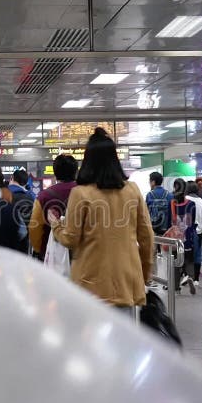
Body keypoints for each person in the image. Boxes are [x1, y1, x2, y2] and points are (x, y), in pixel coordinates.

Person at [48, 128, 154, 311]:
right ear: (115, 159)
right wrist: (143, 274)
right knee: (121, 338)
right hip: (125, 281)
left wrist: (56, 225)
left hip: (89, 284)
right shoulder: (133, 190)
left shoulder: (80, 193)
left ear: (88, 160)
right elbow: (147, 238)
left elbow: (71, 239)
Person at [29, 155, 78, 260]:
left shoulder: (43, 196)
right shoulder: (85, 193)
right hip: (80, 255)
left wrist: (39, 250)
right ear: (75, 172)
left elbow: (34, 227)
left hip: (52, 255)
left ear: (55, 173)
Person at [169, 178, 197, 295]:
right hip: (188, 238)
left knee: (176, 262)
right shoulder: (191, 204)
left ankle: (176, 288)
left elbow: (168, 223)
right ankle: (190, 276)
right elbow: (191, 222)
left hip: (175, 239)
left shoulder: (172, 204)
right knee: (189, 260)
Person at [186, 182, 202, 288]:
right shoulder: (201, 201)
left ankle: (186, 276)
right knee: (197, 255)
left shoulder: (185, 199)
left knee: (186, 255)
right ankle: (196, 279)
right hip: (198, 231)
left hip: (187, 232)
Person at [9, 169, 35, 253]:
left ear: (12, 178)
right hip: (24, 242)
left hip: (6, 244)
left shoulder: (3, 194)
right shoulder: (31, 197)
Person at [146, 172, 173, 236]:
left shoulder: (150, 195)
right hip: (167, 230)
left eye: (149, 181)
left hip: (153, 229)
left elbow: (146, 213)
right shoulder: (169, 195)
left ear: (153, 182)